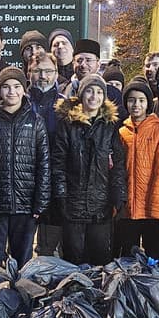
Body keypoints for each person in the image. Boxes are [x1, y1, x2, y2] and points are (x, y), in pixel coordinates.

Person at [0, 67, 51, 266]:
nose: (12, 92)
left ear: (24, 89)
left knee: (23, 262)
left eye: (17, 86)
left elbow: (44, 165)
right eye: (6, 87)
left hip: (25, 205)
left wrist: (40, 202)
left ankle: (21, 296)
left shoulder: (36, 122)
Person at [52, 74, 127, 266]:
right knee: (72, 260)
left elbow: (117, 167)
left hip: (100, 207)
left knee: (100, 260)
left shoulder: (110, 127)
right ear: (81, 94)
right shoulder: (67, 125)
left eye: (99, 92)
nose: (94, 96)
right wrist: (61, 196)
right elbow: (58, 164)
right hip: (73, 205)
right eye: (89, 91)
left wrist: (118, 197)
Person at [116, 79, 159, 259]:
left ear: (148, 103)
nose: (136, 104)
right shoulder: (122, 132)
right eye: (132, 100)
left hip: (151, 208)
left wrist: (157, 206)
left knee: (153, 256)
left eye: (141, 100)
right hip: (128, 207)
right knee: (127, 256)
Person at [27, 52, 66, 258]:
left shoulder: (66, 106)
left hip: (53, 180)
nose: (43, 76)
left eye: (48, 71)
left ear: (57, 74)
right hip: (25, 179)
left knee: (48, 247)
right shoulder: (21, 102)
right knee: (22, 245)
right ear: (29, 73)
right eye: (37, 71)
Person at [62, 39, 125, 111]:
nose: (83, 65)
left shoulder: (113, 94)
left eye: (88, 60)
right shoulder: (63, 90)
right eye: (79, 60)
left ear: (98, 64)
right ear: (73, 63)